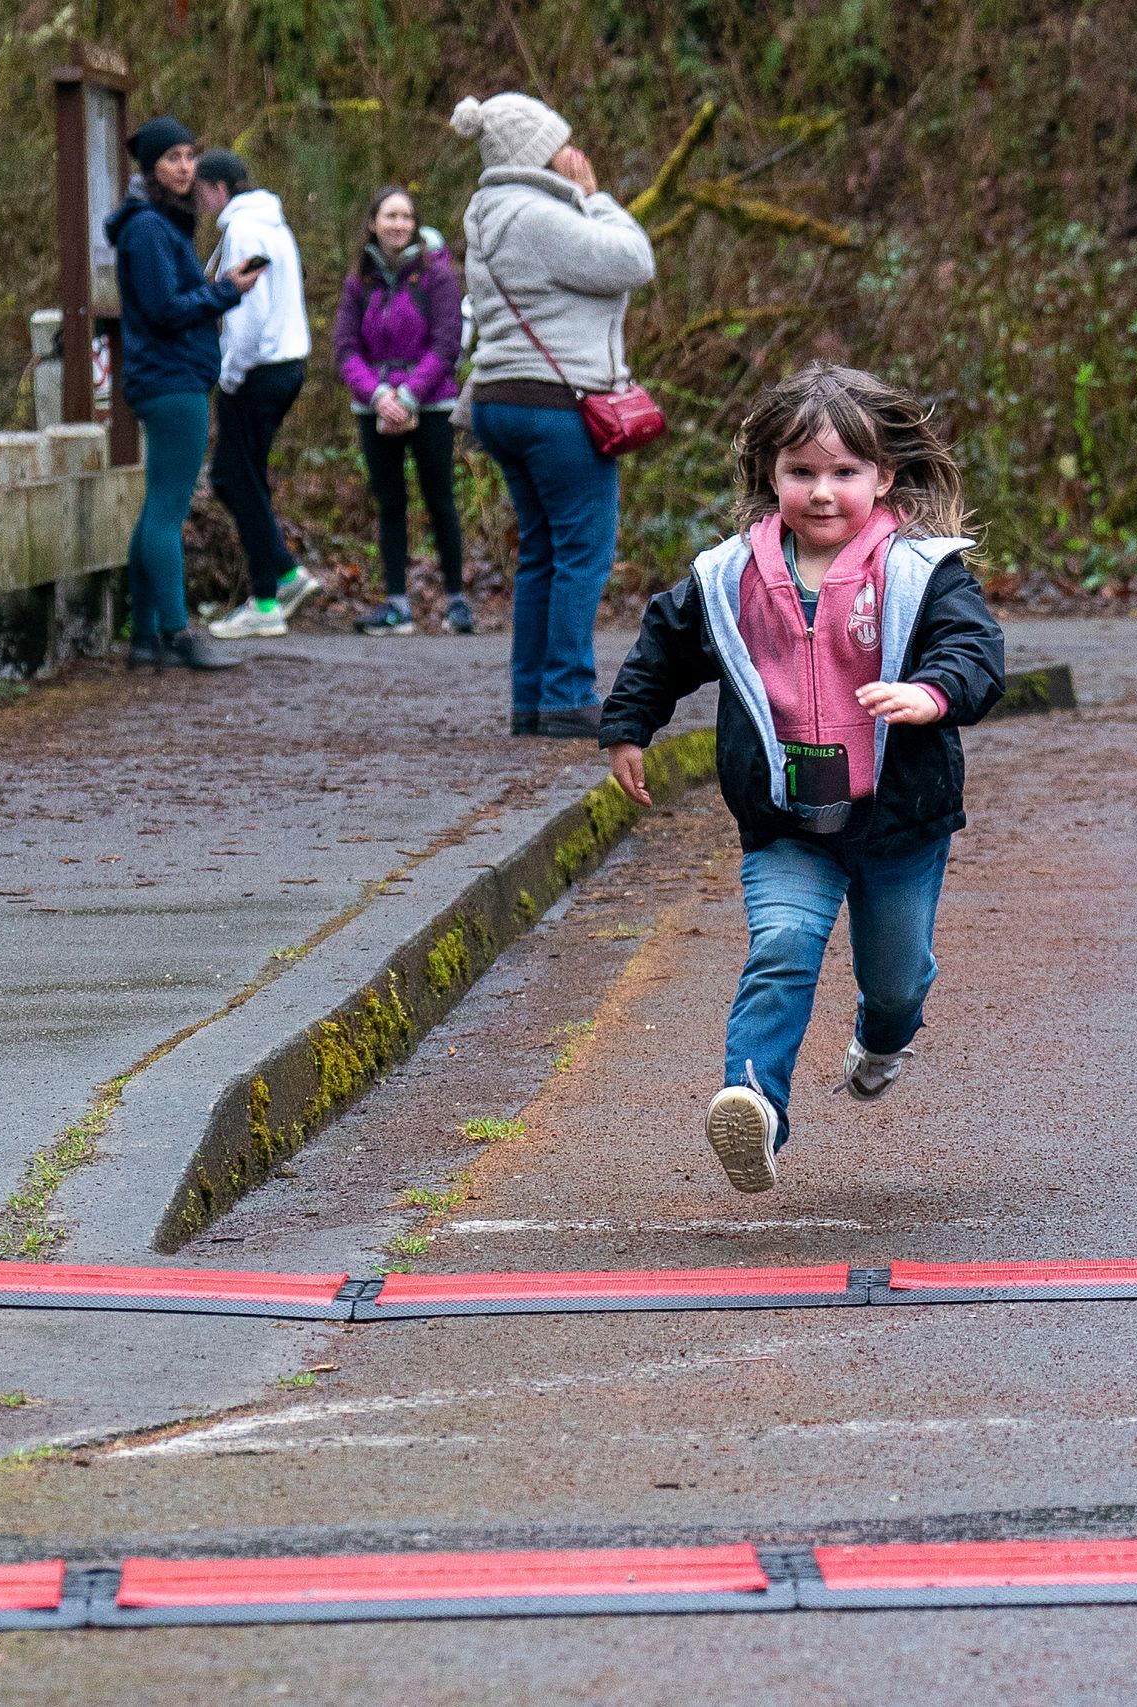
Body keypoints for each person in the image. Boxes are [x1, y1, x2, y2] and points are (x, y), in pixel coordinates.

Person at [598, 364, 1004, 1193]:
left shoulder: (920, 570)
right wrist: (629, 725)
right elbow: (664, 646)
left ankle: (882, 1040)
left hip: (897, 822)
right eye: (801, 471)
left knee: (897, 979)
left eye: (844, 471)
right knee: (780, 948)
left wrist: (932, 693)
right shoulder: (728, 577)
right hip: (787, 821)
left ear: (883, 477)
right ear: (770, 475)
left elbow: (974, 650)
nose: (822, 492)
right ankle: (755, 1105)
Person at [453, 91, 654, 737]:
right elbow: (633, 260)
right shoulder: (538, 215)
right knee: (582, 551)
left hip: (498, 399)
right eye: (561, 143)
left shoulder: (487, 211)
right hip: (555, 406)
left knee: (542, 550)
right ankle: (567, 694)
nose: (573, 152)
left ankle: (531, 699)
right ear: (537, 153)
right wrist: (594, 196)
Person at [107, 117, 262, 671]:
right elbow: (165, 310)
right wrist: (225, 292)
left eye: (190, 156)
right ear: (151, 167)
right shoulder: (149, 229)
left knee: (157, 507)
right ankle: (176, 632)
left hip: (169, 377)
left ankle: (146, 637)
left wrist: (218, 289)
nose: (185, 167)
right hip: (170, 381)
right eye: (172, 157)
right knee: (168, 510)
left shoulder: (159, 225)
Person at [196, 149, 321, 641]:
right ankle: (283, 575)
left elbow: (249, 311)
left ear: (218, 188)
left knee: (233, 477)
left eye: (202, 191)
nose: (200, 202)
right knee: (241, 477)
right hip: (284, 364)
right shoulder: (272, 224)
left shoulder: (244, 230)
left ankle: (267, 599)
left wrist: (229, 373)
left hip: (258, 370)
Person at [335, 186, 470, 635]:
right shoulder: (359, 280)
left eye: (406, 217)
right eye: (390, 216)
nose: (398, 225)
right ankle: (396, 602)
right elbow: (346, 348)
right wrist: (379, 397)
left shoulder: (438, 276)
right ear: (373, 223)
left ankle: (457, 601)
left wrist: (409, 396)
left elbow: (447, 343)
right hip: (373, 405)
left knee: (440, 498)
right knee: (390, 501)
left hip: (431, 403)